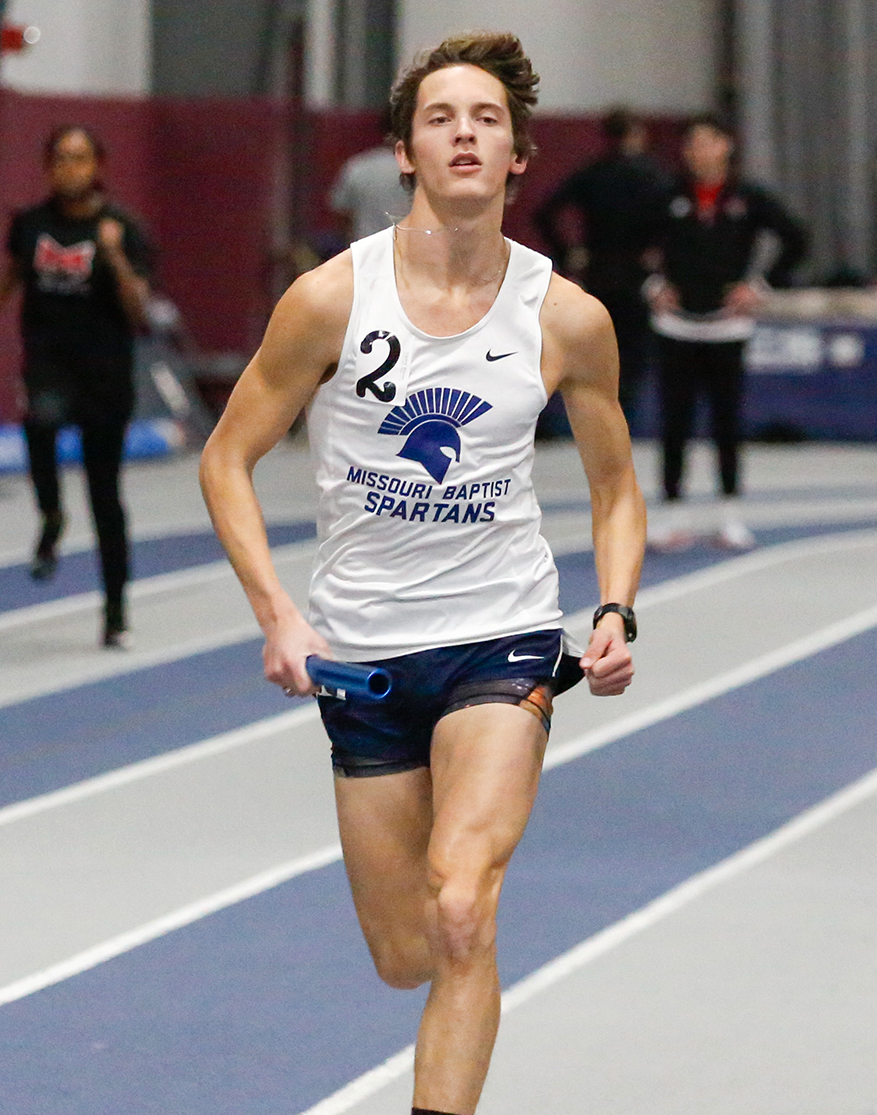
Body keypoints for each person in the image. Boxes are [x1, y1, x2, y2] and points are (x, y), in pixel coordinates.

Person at [198, 32, 642, 1115]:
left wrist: (615, 607)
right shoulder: (329, 300)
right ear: (403, 150)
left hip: (501, 633)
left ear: (518, 155)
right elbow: (226, 456)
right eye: (440, 117)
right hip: (361, 648)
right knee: (405, 950)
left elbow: (615, 486)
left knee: (462, 904)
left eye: (485, 119)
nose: (463, 135)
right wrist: (277, 614)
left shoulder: (567, 317)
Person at [0, 124, 156, 649]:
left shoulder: (123, 228)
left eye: (81, 158)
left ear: (98, 166)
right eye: (61, 159)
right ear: (48, 168)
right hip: (49, 360)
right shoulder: (31, 224)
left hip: (105, 372)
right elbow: (9, 276)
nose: (71, 168)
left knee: (105, 495)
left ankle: (115, 612)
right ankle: (51, 514)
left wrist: (113, 257)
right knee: (39, 420)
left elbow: (139, 312)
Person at [643, 114, 806, 552]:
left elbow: (796, 239)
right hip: (675, 327)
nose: (700, 152)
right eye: (692, 144)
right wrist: (654, 285)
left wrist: (758, 286)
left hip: (726, 328)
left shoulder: (748, 199)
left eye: (709, 142)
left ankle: (730, 514)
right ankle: (672, 512)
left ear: (727, 147)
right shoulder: (666, 197)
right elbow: (631, 241)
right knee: (674, 422)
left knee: (726, 422)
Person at [534, 107, 670, 426]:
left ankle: (597, 420)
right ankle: (627, 422)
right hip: (639, 276)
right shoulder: (655, 176)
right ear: (637, 134)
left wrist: (567, 254)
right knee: (633, 356)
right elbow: (673, 221)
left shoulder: (592, 173)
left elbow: (545, 212)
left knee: (598, 353)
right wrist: (659, 252)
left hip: (598, 273)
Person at [330, 143, 416, 244]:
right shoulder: (414, 168)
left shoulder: (358, 166)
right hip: (407, 245)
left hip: (366, 246)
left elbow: (341, 212)